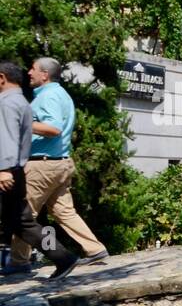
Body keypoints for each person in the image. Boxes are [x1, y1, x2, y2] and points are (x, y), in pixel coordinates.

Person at [5, 58, 107, 275]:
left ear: (45, 75)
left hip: (42, 165)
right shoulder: (60, 94)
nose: (29, 73)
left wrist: (22, 123)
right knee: (64, 211)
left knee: (24, 216)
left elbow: (53, 128)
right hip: (59, 163)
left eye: (33, 69)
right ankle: (95, 249)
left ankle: (19, 261)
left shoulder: (48, 96)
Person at [0, 62, 78, 281]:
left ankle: (64, 258)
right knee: (23, 223)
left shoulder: (7, 103)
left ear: (2, 78)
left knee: (22, 222)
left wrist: (3, 169)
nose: (30, 72)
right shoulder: (23, 102)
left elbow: (6, 137)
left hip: (6, 172)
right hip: (17, 170)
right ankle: (64, 257)